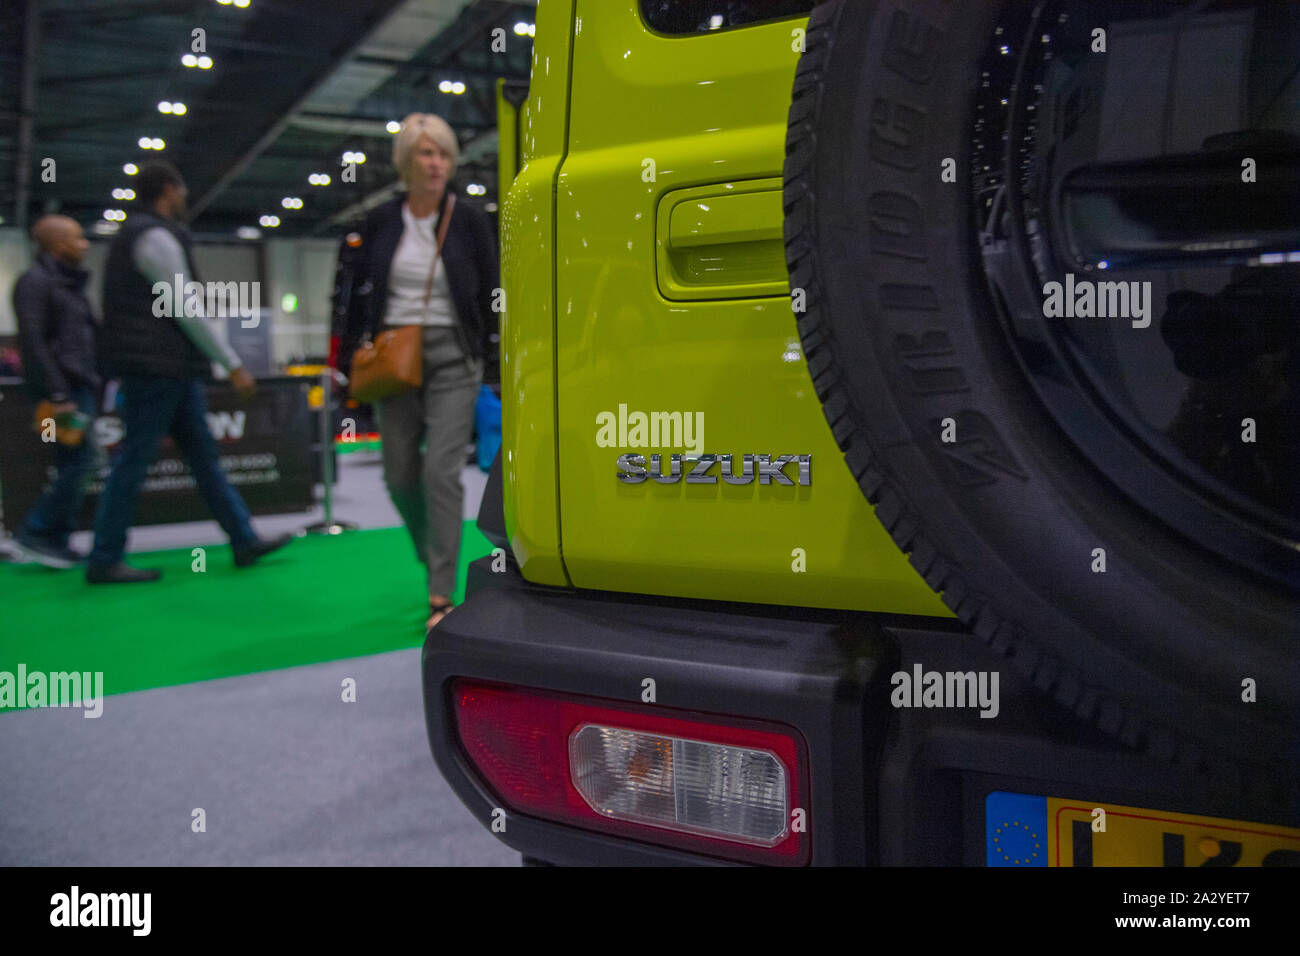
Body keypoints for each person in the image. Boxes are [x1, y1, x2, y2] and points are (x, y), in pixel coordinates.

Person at [85, 160, 292, 583]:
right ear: (167, 190)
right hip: (157, 370)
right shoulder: (154, 237)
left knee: (203, 459)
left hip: (168, 369)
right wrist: (232, 364)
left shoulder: (139, 236)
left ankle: (242, 539)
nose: (185, 198)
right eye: (181, 190)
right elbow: (184, 307)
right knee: (135, 460)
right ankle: (104, 558)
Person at [334, 113, 500, 628]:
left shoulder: (469, 219)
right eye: (427, 153)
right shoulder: (379, 221)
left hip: (454, 353)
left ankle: (441, 593)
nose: (436, 164)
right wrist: (343, 361)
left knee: (440, 471)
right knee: (399, 473)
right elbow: (353, 296)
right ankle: (434, 554)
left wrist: (494, 355)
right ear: (406, 160)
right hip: (392, 357)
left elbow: (492, 288)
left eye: (444, 154)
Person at [11, 215, 98, 568]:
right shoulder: (35, 282)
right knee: (84, 460)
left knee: (71, 462)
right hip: (60, 395)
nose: (85, 244)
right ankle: (35, 532)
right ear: (59, 244)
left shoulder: (68, 285)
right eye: (78, 238)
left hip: (76, 387)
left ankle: (53, 541)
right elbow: (33, 343)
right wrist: (57, 395)